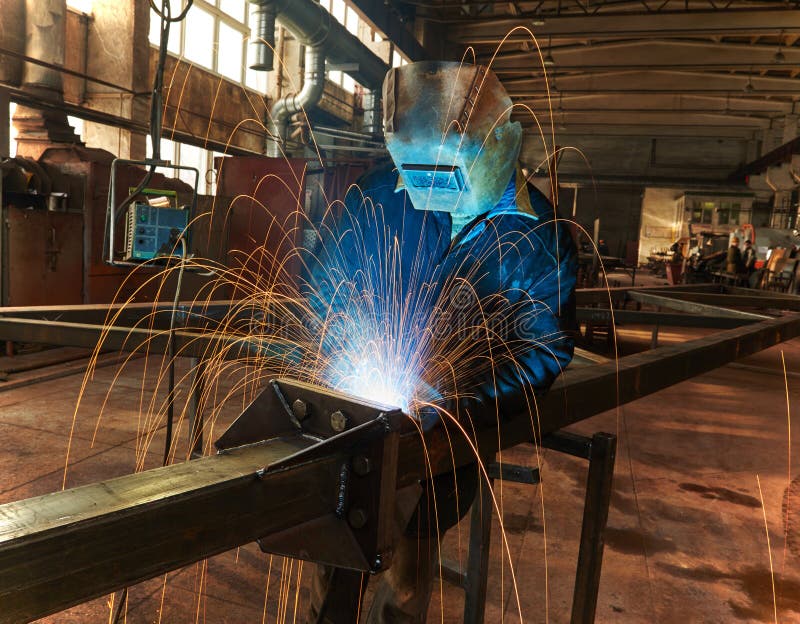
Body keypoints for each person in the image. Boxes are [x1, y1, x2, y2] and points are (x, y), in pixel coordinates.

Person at [304, 61, 577, 623]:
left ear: (500, 148)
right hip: (351, 428)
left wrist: (458, 390)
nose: (427, 185)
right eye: (415, 169)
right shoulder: (377, 193)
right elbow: (322, 290)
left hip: (443, 449)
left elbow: (544, 350)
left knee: (406, 575)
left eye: (446, 171)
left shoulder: (540, 239)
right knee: (333, 564)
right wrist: (339, 352)